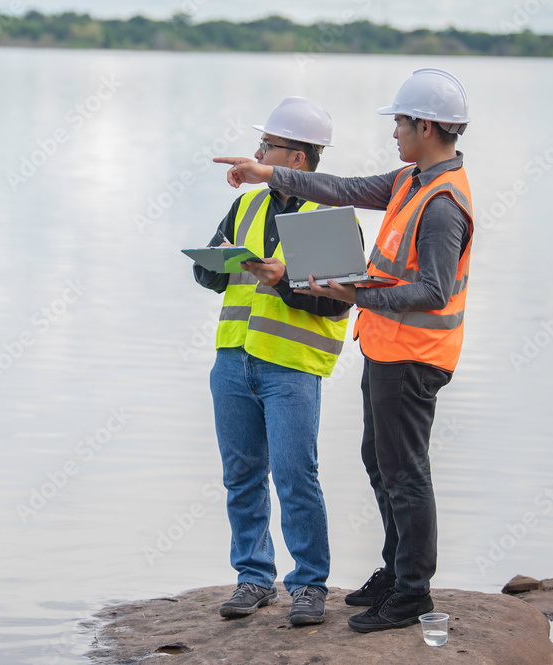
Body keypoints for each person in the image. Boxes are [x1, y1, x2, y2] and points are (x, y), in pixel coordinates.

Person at [214, 68, 474, 633]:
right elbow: (344, 188)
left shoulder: (444, 203)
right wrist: (268, 171)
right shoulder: (412, 180)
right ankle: (393, 573)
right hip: (385, 347)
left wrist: (352, 294)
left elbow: (433, 290)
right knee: (380, 464)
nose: (395, 132)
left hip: (415, 355)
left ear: (426, 125)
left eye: (401, 122)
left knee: (405, 474)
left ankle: (410, 593)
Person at [192, 97, 355, 626]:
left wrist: (282, 279)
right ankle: (253, 579)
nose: (258, 153)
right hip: (233, 360)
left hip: (290, 365)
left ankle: (308, 585)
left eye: (268, 146)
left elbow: (337, 302)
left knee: (294, 476)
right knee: (240, 474)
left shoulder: (327, 218)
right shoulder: (245, 207)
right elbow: (211, 275)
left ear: (298, 159)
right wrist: (215, 267)